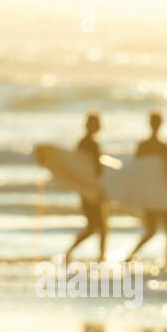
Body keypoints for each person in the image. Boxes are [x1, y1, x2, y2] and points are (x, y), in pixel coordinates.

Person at [124, 110, 167, 267]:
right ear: (160, 125)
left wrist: (136, 192)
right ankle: (166, 262)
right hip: (164, 192)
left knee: (151, 230)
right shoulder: (163, 147)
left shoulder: (142, 146)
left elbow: (136, 171)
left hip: (149, 194)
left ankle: (130, 257)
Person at [65, 111, 109, 261]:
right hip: (92, 189)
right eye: (96, 123)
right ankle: (98, 258)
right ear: (89, 125)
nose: (99, 126)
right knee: (98, 226)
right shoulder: (90, 144)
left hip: (86, 189)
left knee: (96, 226)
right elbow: (94, 169)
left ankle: (72, 253)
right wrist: (99, 188)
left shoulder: (82, 143)